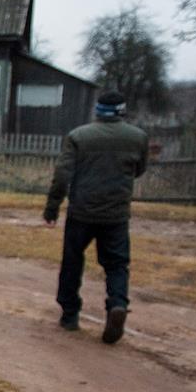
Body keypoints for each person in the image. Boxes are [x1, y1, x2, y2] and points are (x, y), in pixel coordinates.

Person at [44, 91, 149, 345]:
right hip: (116, 214)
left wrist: (53, 206)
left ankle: (70, 314)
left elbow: (62, 174)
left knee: (72, 260)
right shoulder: (138, 137)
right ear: (122, 110)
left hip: (81, 211)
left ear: (98, 111)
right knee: (116, 264)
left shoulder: (79, 136)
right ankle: (117, 304)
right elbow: (140, 170)